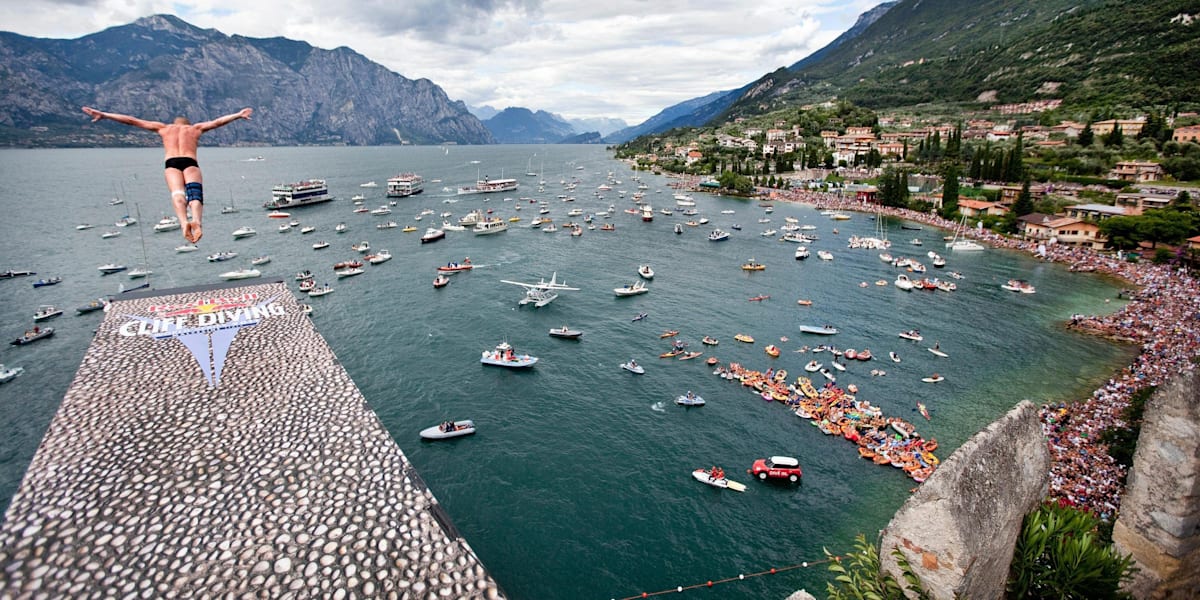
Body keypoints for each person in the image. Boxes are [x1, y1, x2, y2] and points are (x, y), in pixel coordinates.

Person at [81, 106, 253, 243]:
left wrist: (103, 114)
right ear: (187, 124)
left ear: (174, 123)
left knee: (178, 195)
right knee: (195, 195)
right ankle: (197, 222)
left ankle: (184, 222)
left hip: (171, 163)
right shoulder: (195, 129)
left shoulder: (164, 128)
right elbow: (217, 122)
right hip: (189, 161)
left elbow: (132, 121)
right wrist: (238, 114)